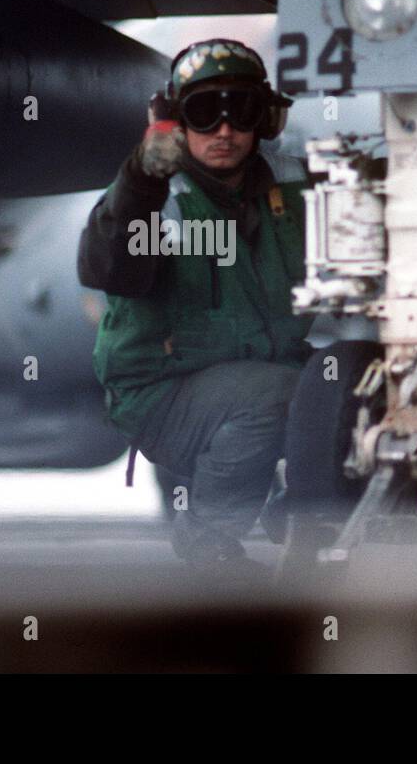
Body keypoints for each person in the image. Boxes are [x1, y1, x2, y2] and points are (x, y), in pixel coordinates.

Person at [77, 38, 310, 572]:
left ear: (265, 121)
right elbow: (106, 267)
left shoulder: (294, 185)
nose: (224, 130)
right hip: (163, 391)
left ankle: (310, 517)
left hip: (260, 374)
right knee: (280, 394)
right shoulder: (158, 197)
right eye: (205, 114)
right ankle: (209, 541)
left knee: (360, 386)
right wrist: (140, 179)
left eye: (241, 111)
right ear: (179, 122)